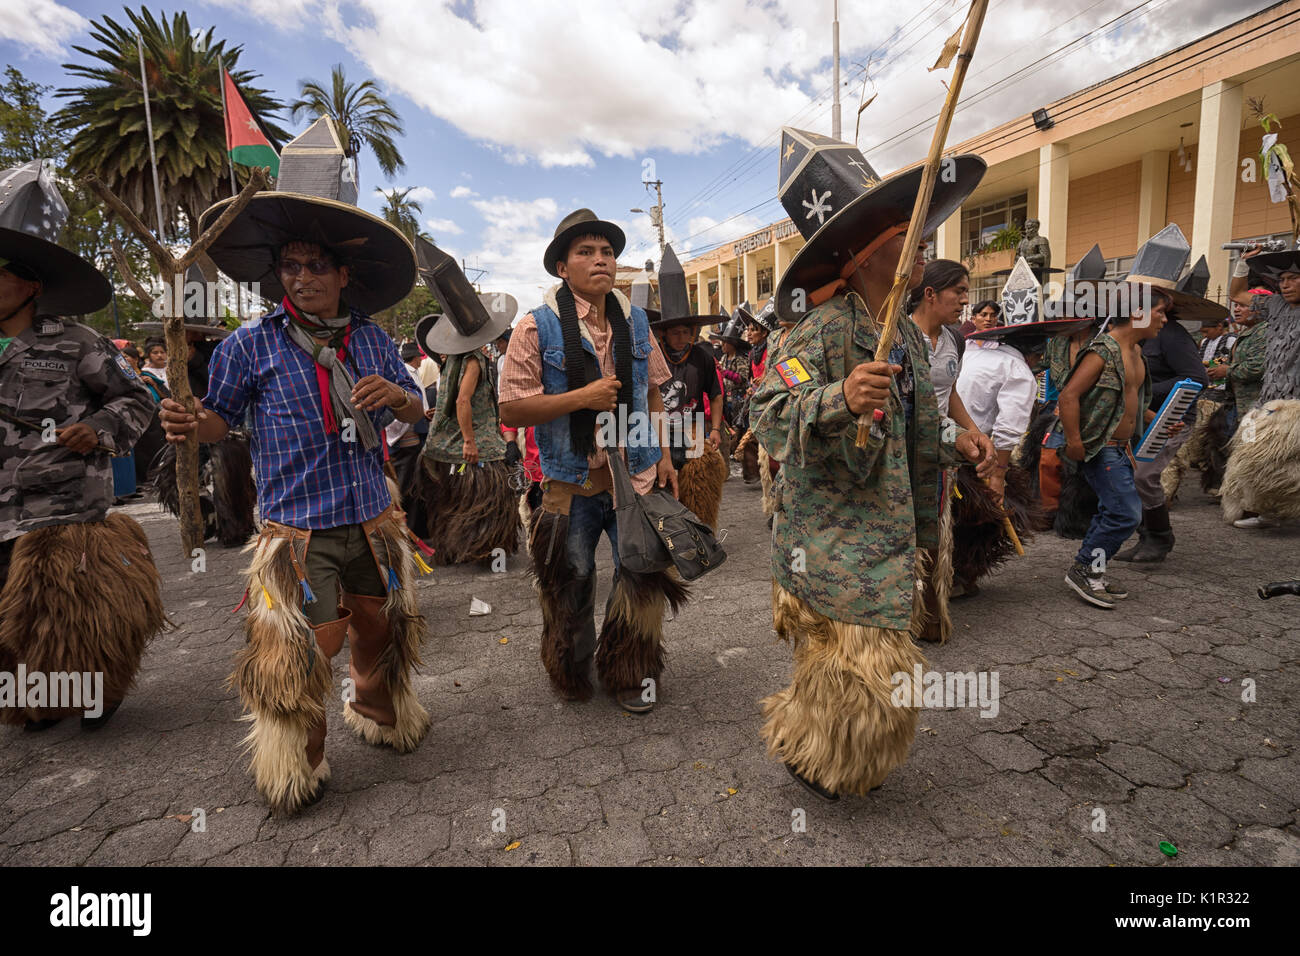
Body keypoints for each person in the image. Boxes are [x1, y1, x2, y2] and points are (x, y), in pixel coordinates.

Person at [160, 120, 431, 815]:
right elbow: (221, 421)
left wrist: (398, 394)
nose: (304, 278)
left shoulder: (371, 338)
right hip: (296, 531)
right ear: (277, 273)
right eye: (291, 266)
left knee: (379, 627)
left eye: (317, 266)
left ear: (344, 274)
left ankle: (374, 710)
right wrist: (193, 424)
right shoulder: (248, 347)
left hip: (373, 517)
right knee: (306, 648)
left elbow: (419, 410)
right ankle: (299, 765)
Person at [751, 128, 990, 800]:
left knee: (850, 673)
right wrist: (837, 397)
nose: (921, 243)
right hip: (832, 544)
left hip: (889, 537)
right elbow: (767, 413)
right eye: (904, 233)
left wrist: (956, 442)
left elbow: (914, 426)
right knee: (864, 676)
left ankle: (818, 752)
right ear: (860, 254)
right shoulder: (822, 330)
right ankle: (822, 758)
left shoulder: (907, 334)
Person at [0, 158, 163, 733]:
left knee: (75, 618)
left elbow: (137, 400)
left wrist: (99, 429)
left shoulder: (77, 342)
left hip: (61, 509)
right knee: (14, 628)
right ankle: (37, 700)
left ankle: (100, 687)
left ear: (31, 283)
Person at [499, 208, 683, 714]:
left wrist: (665, 455)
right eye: (586, 252)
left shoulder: (638, 320)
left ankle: (631, 671)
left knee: (639, 574)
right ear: (563, 267)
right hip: (571, 483)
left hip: (635, 476)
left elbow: (652, 393)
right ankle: (571, 666)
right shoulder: (534, 329)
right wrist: (582, 398)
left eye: (607, 252)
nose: (600, 260)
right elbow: (512, 407)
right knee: (572, 577)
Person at [414, 240, 520, 564]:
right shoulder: (473, 361)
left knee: (453, 500)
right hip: (475, 448)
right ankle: (486, 551)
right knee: (489, 499)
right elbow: (462, 400)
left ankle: (452, 550)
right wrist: (471, 442)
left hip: (444, 447)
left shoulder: (451, 362)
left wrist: (438, 414)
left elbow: (448, 399)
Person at [1111, 241, 1217, 563]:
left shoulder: (1173, 335)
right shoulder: (1132, 332)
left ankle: (1160, 538)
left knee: (1145, 475)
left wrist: (1144, 388)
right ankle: (1146, 537)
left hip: (1171, 418)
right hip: (1139, 416)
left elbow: (1197, 378)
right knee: (1132, 475)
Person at [1058, 294, 1164, 609]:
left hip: (1120, 448)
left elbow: (1132, 404)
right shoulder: (1102, 351)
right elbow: (1068, 396)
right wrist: (1075, 442)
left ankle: (1094, 571)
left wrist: (1161, 421)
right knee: (1125, 513)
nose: (1165, 320)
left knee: (1113, 511)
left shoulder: (1136, 353)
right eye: (1160, 312)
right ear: (1138, 312)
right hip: (1098, 447)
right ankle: (1086, 569)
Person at [906, 258, 991, 633]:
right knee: (906, 534)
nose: (964, 303)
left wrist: (972, 430)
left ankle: (928, 613)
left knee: (938, 532)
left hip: (943, 450)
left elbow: (949, 392)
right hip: (908, 451)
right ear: (930, 293)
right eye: (958, 293)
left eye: (965, 294)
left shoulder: (955, 338)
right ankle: (901, 617)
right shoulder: (899, 337)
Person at [1220, 244, 1300, 528]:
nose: (1286, 284)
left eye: (1294, 278)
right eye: (1282, 279)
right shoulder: (1275, 305)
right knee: (1255, 455)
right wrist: (1245, 264)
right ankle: (1265, 510)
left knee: (1292, 463)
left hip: (1297, 405)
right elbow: (1237, 294)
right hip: (1269, 400)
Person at [649, 244, 727, 529]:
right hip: (659, 433)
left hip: (693, 432)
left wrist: (716, 429)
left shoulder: (702, 357)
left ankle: (699, 536)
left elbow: (716, 395)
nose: (682, 337)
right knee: (664, 489)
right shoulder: (651, 356)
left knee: (698, 492)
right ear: (664, 333)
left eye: (686, 331)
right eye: (675, 332)